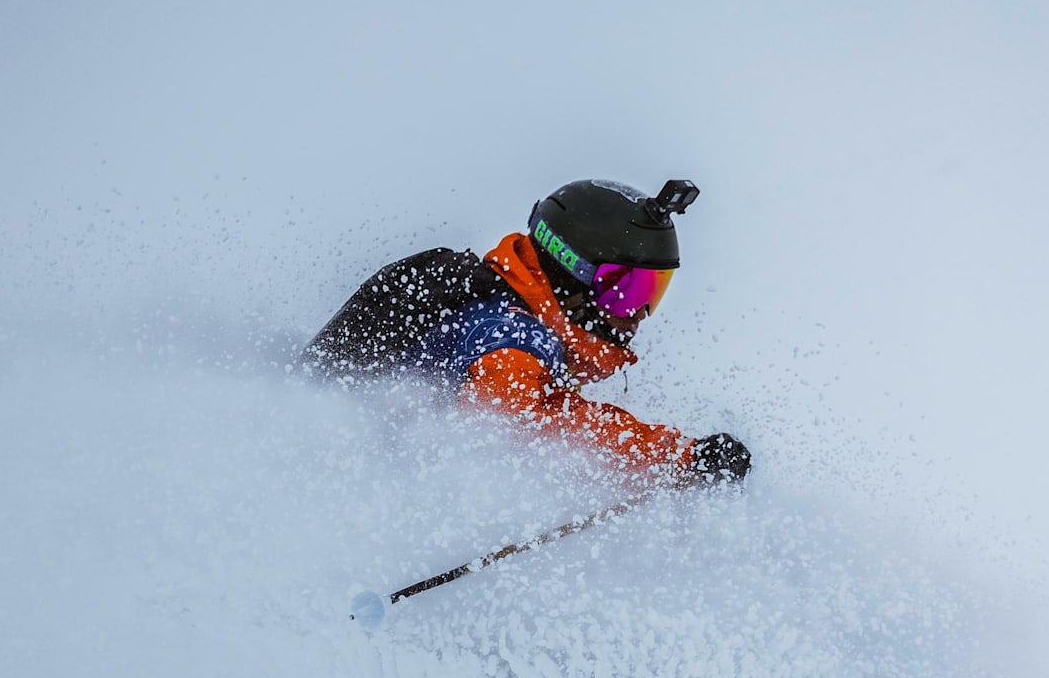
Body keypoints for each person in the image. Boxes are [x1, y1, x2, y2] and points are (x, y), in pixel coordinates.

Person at [302, 179, 751, 485]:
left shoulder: (518, 315)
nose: (639, 314)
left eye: (654, 291)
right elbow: (529, 427)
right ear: (572, 271)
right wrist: (680, 457)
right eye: (625, 289)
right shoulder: (512, 338)